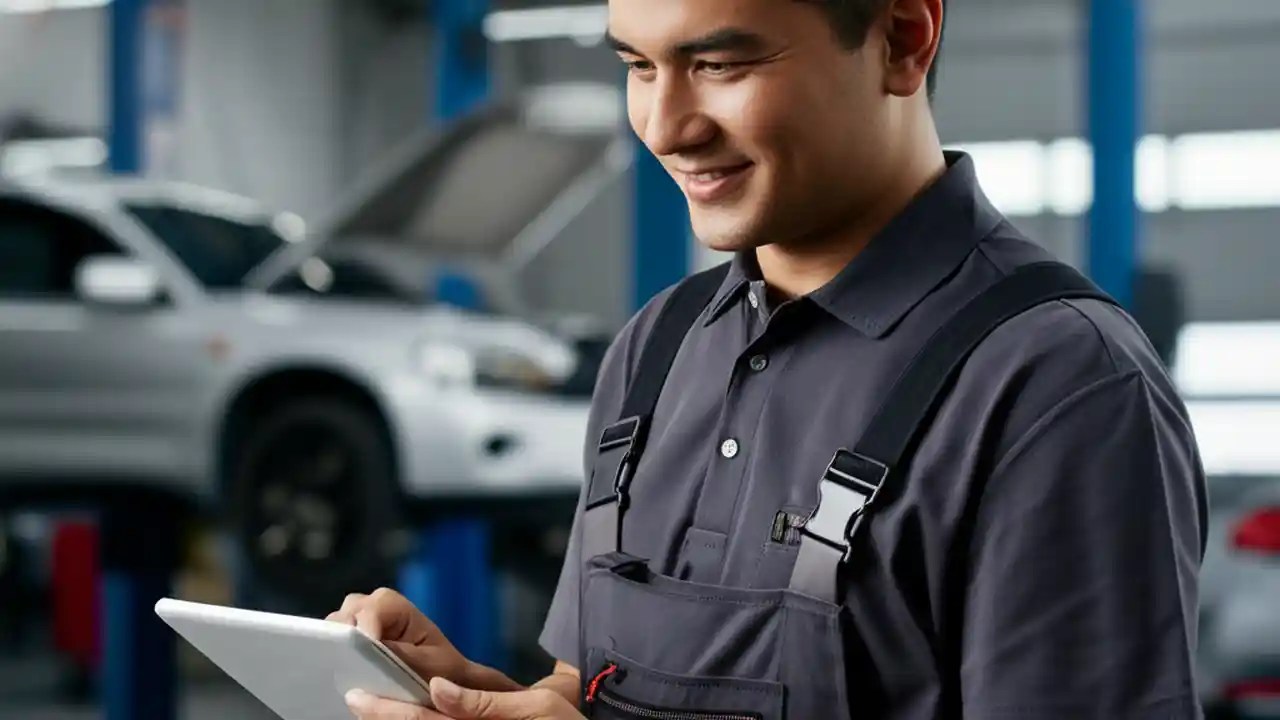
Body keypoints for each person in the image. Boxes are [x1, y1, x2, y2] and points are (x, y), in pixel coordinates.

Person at [329, 0, 1209, 717]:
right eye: (639, 67)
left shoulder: (1058, 385)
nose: (665, 126)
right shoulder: (654, 348)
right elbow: (586, 682)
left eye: (719, 65)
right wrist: (492, 700)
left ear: (902, 40)